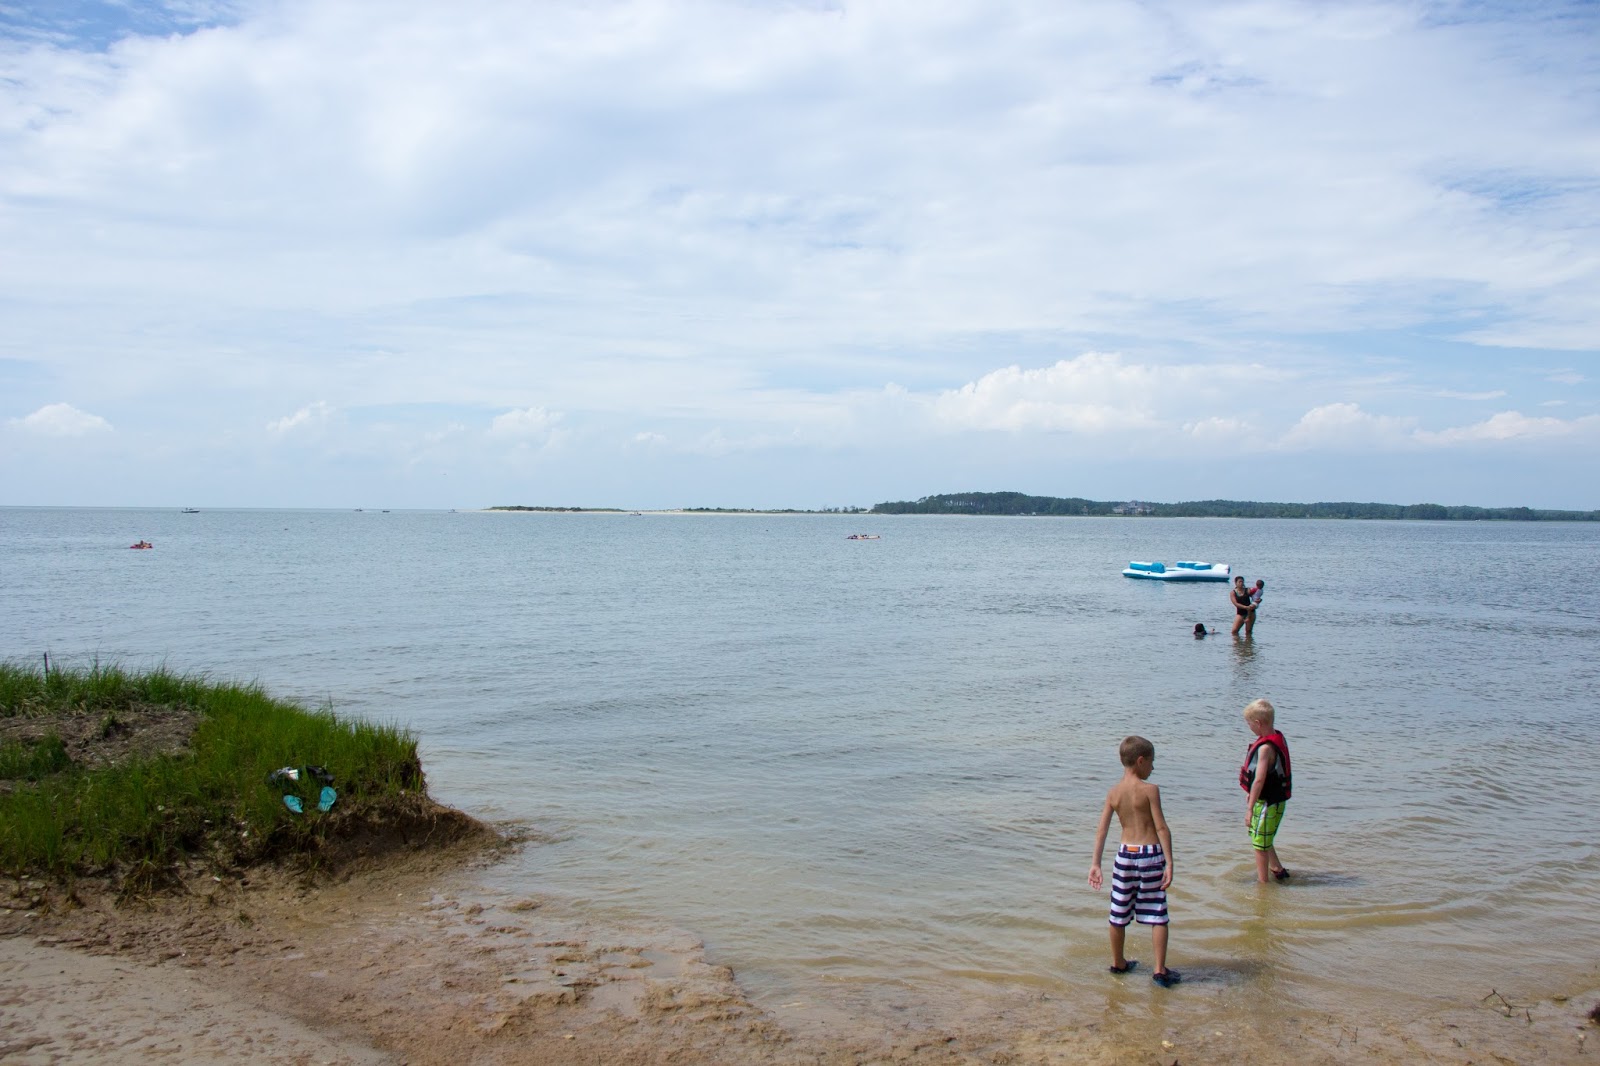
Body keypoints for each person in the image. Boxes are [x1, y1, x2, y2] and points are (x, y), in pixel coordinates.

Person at [1088, 736, 1180, 987]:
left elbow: (1102, 830)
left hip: (1124, 855)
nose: (1153, 768)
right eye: (1151, 762)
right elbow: (1161, 828)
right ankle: (1159, 971)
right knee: (1157, 912)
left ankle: (1118, 963)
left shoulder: (1113, 793)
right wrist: (1170, 862)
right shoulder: (1150, 790)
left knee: (1118, 912)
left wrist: (1096, 863)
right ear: (1140, 761)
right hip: (1150, 854)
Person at [1239, 699, 1292, 884]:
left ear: (1258, 723)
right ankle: (1277, 869)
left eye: (1249, 723)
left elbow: (1260, 779)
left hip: (1269, 802)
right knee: (1260, 835)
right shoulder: (1276, 737)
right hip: (1268, 800)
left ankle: (1263, 884)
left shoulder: (1266, 749)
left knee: (1259, 845)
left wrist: (1249, 808)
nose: (1249, 727)